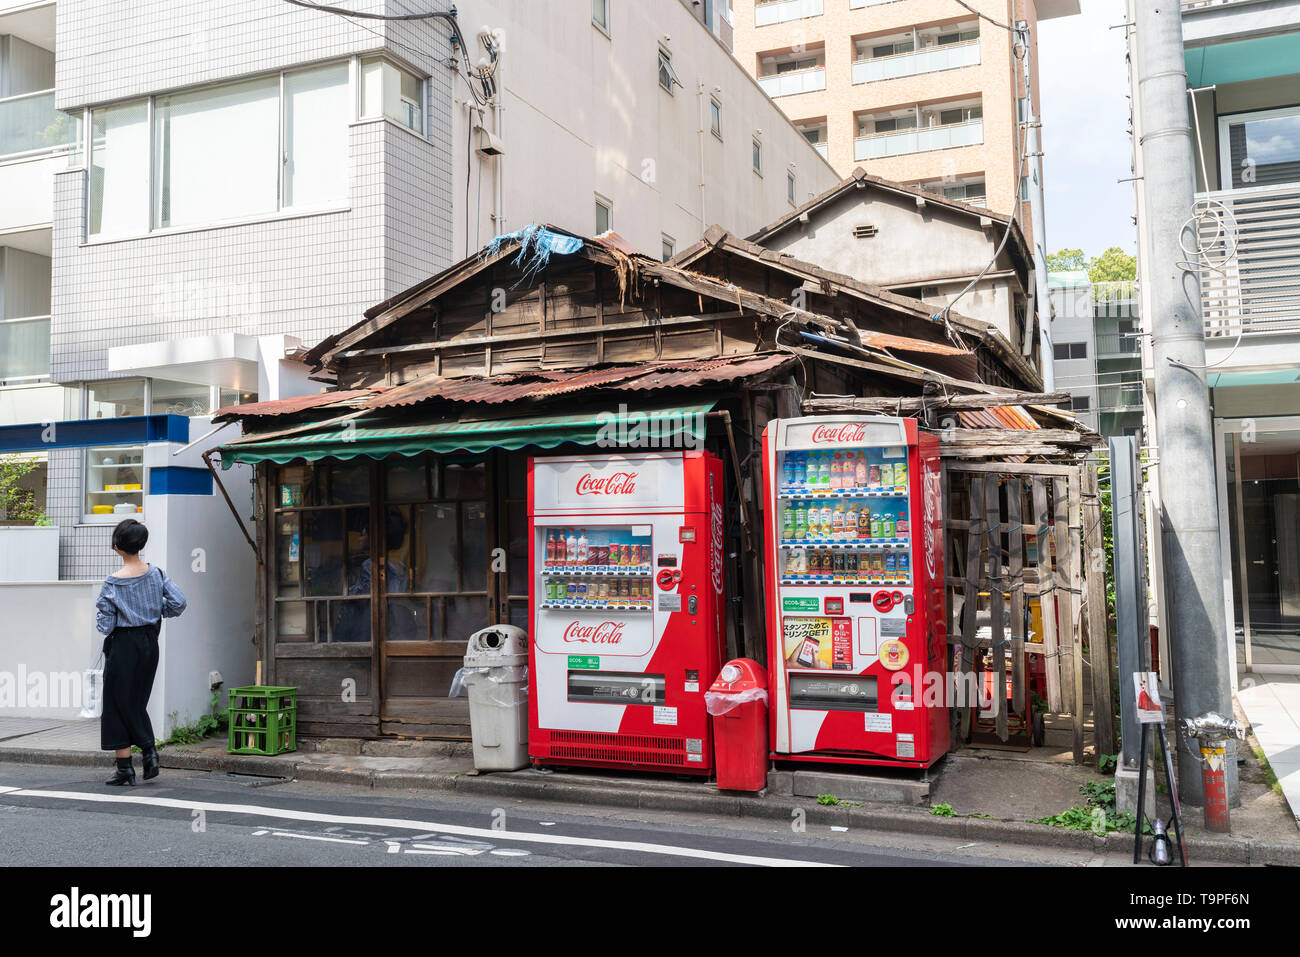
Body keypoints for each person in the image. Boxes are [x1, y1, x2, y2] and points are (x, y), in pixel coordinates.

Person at [96, 519, 187, 786]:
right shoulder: (157, 574)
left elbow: (106, 625)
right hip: (150, 641)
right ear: (141, 545)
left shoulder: (112, 583)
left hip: (124, 643)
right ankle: (130, 764)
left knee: (116, 703)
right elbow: (179, 602)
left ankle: (141, 754)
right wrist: (158, 612)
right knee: (135, 701)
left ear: (117, 547)